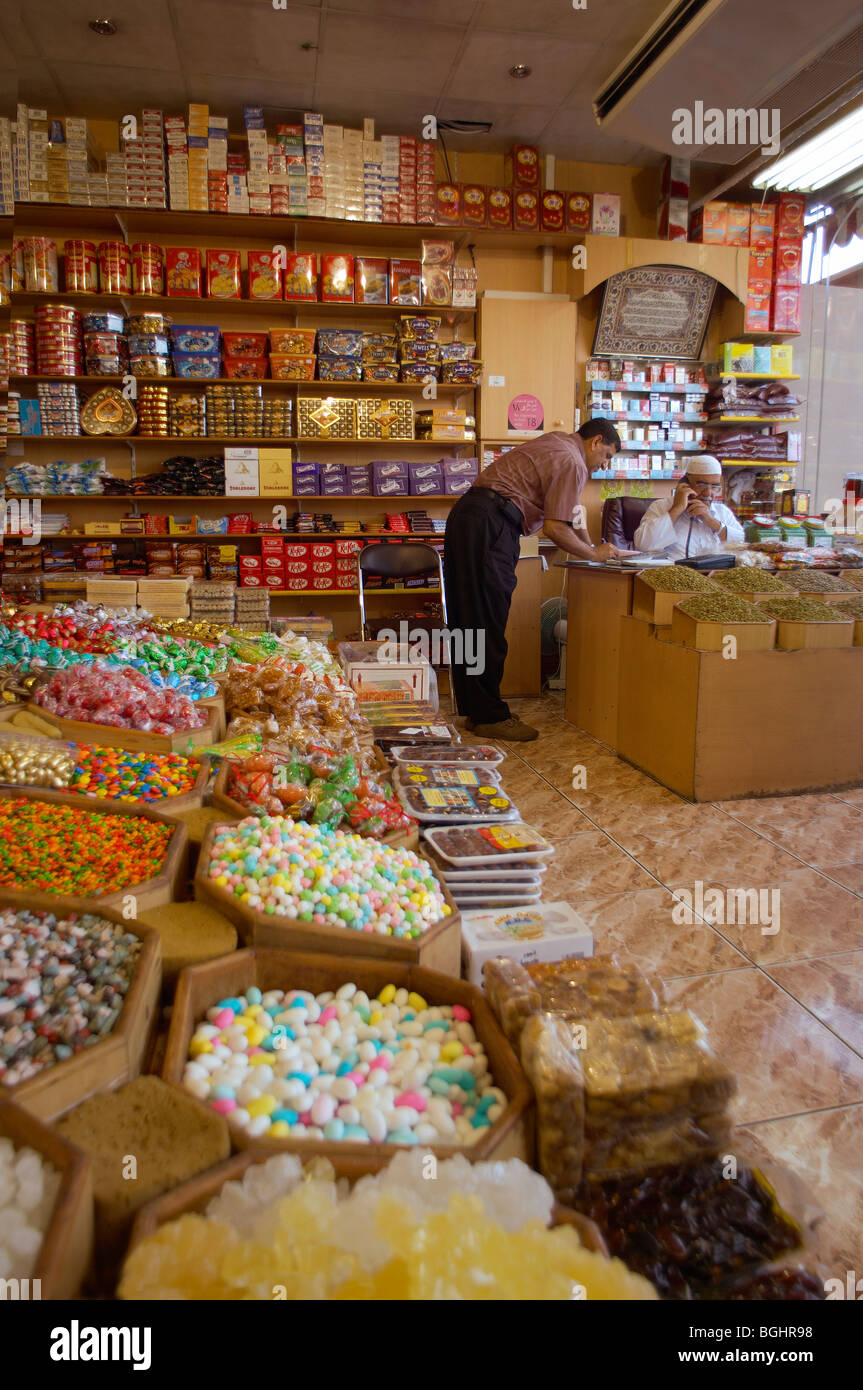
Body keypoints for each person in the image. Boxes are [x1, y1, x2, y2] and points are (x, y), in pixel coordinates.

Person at [444, 418, 629, 742]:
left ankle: (477, 709)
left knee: (470, 619)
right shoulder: (573, 461)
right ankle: (489, 715)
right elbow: (555, 528)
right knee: (487, 620)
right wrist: (592, 554)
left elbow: (572, 513)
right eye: (608, 456)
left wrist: (593, 545)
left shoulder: (558, 442)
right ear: (596, 441)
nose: (604, 465)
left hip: (471, 517)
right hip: (491, 524)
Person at [633, 455, 745, 559]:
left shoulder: (722, 512)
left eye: (714, 487)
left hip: (712, 576)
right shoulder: (660, 507)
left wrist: (712, 522)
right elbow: (643, 546)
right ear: (685, 483)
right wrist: (676, 509)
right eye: (702, 485)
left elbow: (741, 544)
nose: (707, 493)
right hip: (671, 575)